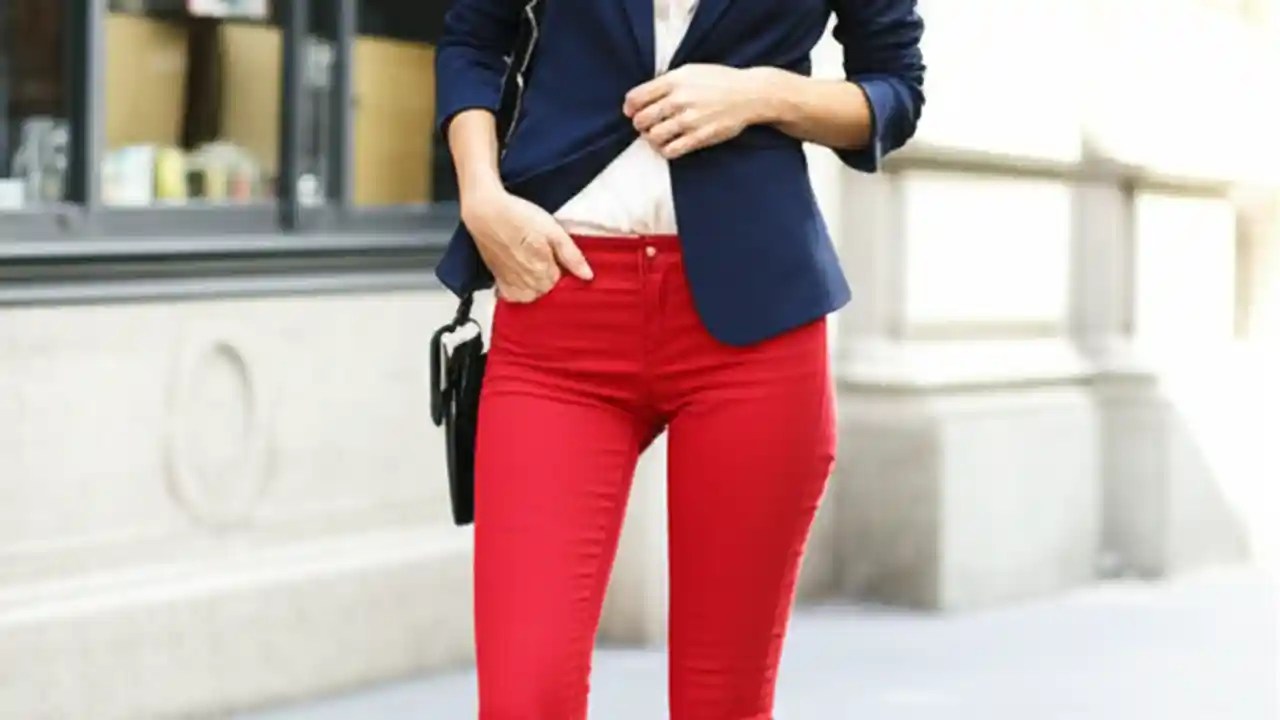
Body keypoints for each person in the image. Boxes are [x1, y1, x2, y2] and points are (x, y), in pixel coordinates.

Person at [436, 0, 924, 717]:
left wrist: (761, 94)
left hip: (755, 320)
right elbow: (475, 37)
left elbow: (894, 89)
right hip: (560, 304)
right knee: (523, 696)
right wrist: (480, 196)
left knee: (721, 701)